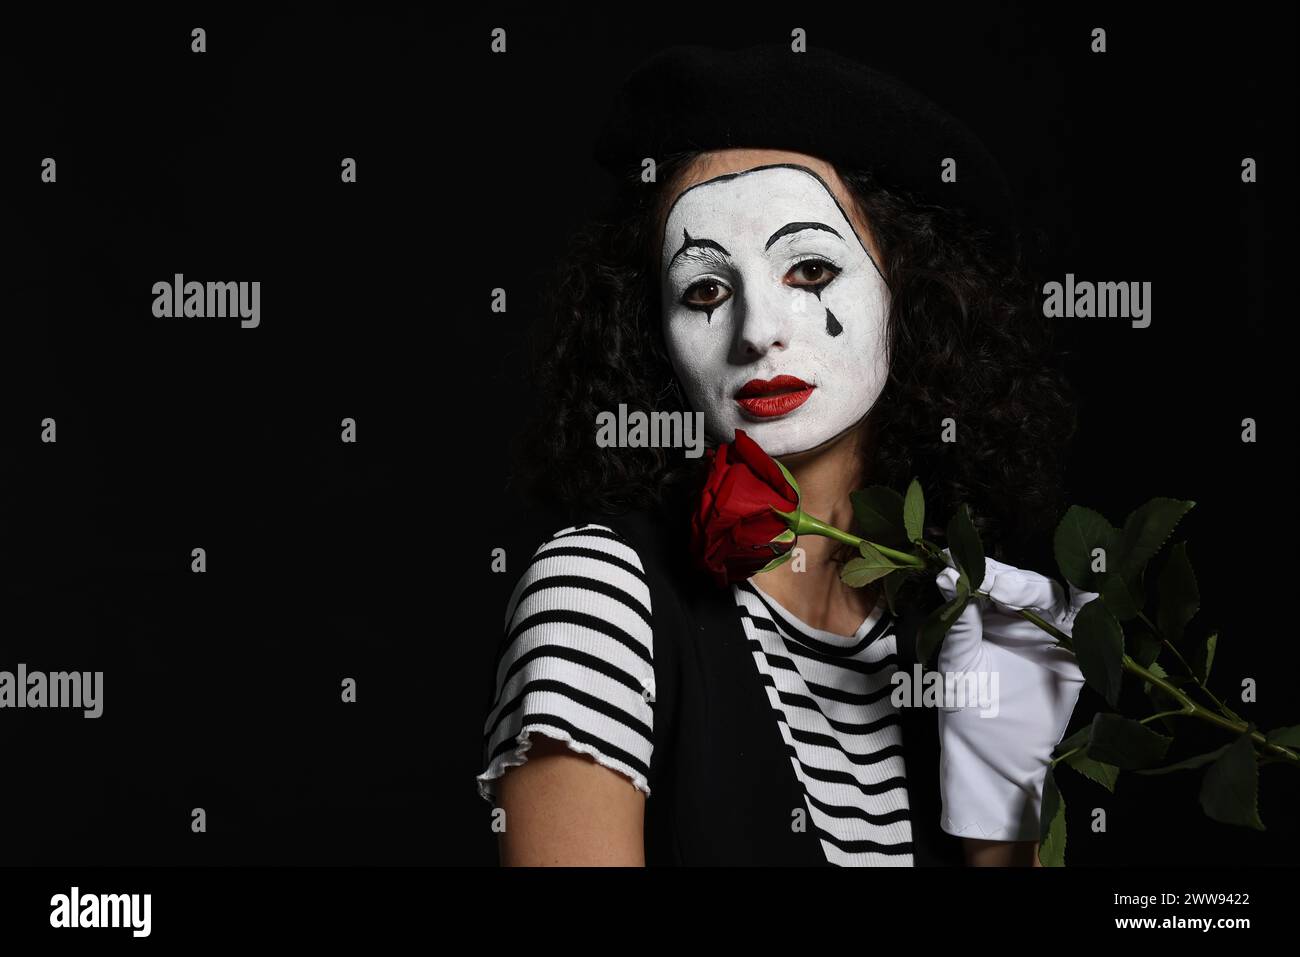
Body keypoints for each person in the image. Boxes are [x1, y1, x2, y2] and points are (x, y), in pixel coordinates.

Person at [475, 43, 1084, 866]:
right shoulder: (598, 593)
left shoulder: (958, 629)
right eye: (704, 290)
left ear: (911, 292)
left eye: (809, 268)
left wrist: (1000, 829)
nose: (757, 329)